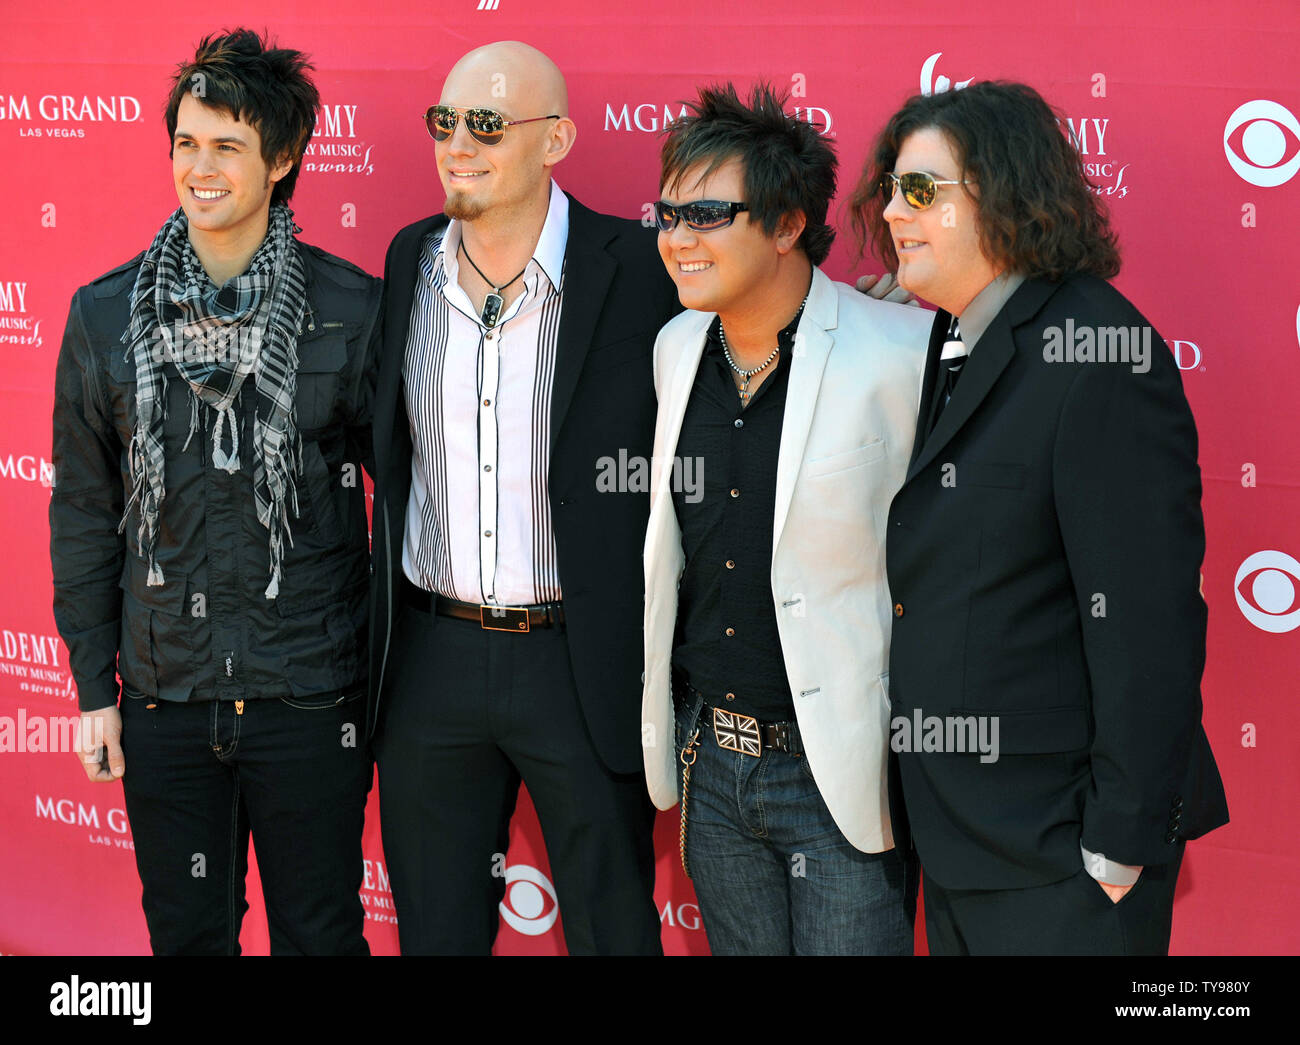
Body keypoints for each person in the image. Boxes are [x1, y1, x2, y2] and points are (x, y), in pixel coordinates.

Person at [848, 80, 1229, 955]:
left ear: (1006, 189)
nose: (895, 215)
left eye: (921, 192)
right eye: (890, 191)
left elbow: (1149, 620)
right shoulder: (959, 336)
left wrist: (1117, 845)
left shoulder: (1098, 354)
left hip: (1062, 854)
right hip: (959, 841)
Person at [51, 29, 380, 954]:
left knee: (321, 934)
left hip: (310, 697)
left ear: (281, 161)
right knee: (187, 935)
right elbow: (83, 510)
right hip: (165, 699)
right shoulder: (104, 314)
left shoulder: (351, 309)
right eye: (186, 143)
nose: (201, 167)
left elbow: (403, 510)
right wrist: (92, 688)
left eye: (228, 146)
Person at [366, 40, 679, 955]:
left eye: (489, 124)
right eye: (446, 121)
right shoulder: (406, 261)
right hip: (430, 657)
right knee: (435, 932)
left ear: (557, 140)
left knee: (615, 927)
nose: (459, 143)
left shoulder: (644, 268)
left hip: (579, 660)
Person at [640, 82, 931, 954]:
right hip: (710, 761)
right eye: (667, 214)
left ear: (788, 224)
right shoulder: (675, 348)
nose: (677, 238)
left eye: (706, 214)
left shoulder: (900, 351)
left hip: (838, 766)